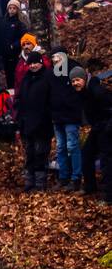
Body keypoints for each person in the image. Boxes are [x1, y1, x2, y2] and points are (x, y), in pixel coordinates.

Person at [16, 49, 53, 191]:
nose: (33, 66)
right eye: (30, 63)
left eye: (35, 63)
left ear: (41, 63)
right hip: (27, 123)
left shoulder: (47, 77)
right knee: (29, 153)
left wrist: (47, 116)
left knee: (41, 153)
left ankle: (40, 184)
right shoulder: (26, 78)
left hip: (43, 123)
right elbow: (20, 99)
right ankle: (29, 182)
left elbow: (51, 99)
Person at [74, 67, 112, 202]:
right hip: (97, 127)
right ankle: (90, 186)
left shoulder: (97, 91)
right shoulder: (83, 92)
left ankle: (109, 196)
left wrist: (108, 126)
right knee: (86, 154)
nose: (75, 83)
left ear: (84, 79)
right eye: (73, 81)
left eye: (77, 80)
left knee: (107, 160)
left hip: (107, 127)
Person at [49, 58, 85, 190]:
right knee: (61, 147)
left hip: (71, 117)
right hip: (57, 117)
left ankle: (76, 178)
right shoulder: (52, 72)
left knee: (72, 146)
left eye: (58, 56)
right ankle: (63, 177)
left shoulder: (73, 69)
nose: (56, 59)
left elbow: (78, 94)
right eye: (53, 57)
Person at [0, 0, 29, 83]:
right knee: (7, 74)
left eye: (14, 8)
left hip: (15, 54)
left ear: (17, 10)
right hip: (3, 54)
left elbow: (23, 37)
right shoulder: (2, 22)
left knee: (15, 74)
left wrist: (14, 45)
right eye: (10, 8)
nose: (12, 10)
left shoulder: (20, 23)